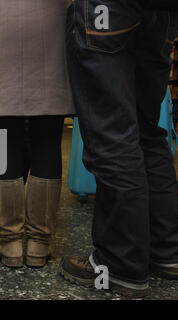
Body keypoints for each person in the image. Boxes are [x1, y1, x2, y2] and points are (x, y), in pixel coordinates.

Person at [60, 0, 178, 297]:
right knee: (147, 132)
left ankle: (119, 264)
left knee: (113, 136)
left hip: (107, 10)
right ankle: (167, 251)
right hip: (165, 14)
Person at [0, 0, 75, 268]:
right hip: (49, 29)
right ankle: (39, 244)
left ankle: (10, 242)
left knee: (3, 137)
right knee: (47, 138)